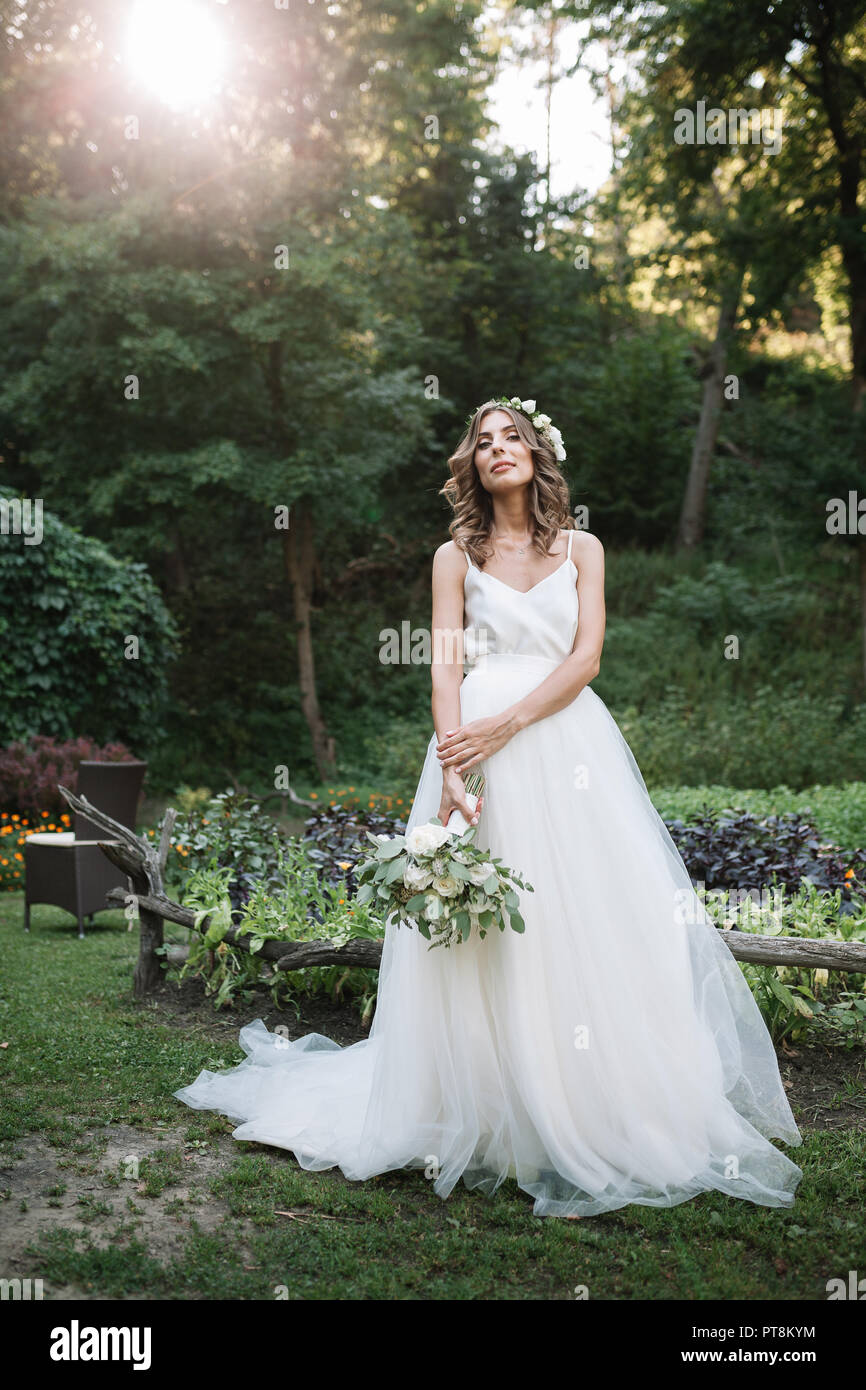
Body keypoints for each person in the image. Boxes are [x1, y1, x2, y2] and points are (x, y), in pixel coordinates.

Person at [174, 395, 803, 1219]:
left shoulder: (583, 548)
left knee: (578, 920)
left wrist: (507, 724)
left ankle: (585, 1100)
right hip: (472, 754)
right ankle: (481, 1101)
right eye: (483, 441)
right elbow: (442, 668)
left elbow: (586, 659)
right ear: (472, 465)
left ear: (539, 456)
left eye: (513, 436)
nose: (498, 448)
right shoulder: (453, 557)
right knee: (474, 930)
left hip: (565, 749)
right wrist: (452, 764)